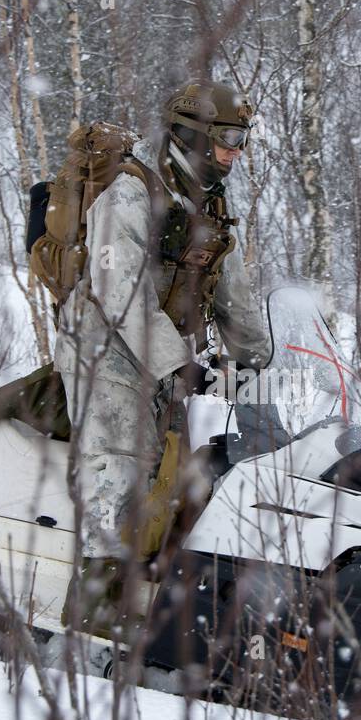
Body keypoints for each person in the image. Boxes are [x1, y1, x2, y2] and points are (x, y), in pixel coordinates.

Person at [53, 80, 271, 635]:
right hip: (104, 349)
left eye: (240, 139)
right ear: (192, 137)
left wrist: (258, 362)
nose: (234, 152)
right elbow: (117, 286)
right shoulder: (129, 193)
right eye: (226, 139)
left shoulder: (210, 205)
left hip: (166, 356)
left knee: (180, 474)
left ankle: (156, 603)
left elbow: (234, 290)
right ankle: (93, 622)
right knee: (119, 469)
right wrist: (179, 364)